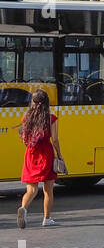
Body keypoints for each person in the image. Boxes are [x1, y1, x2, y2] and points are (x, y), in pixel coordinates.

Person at [17, 91, 63, 229]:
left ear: (33, 102)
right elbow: (54, 139)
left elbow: (25, 138)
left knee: (31, 189)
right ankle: (47, 218)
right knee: (48, 189)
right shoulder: (51, 119)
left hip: (31, 153)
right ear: (47, 102)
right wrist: (59, 154)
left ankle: (23, 208)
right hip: (46, 154)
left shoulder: (26, 118)